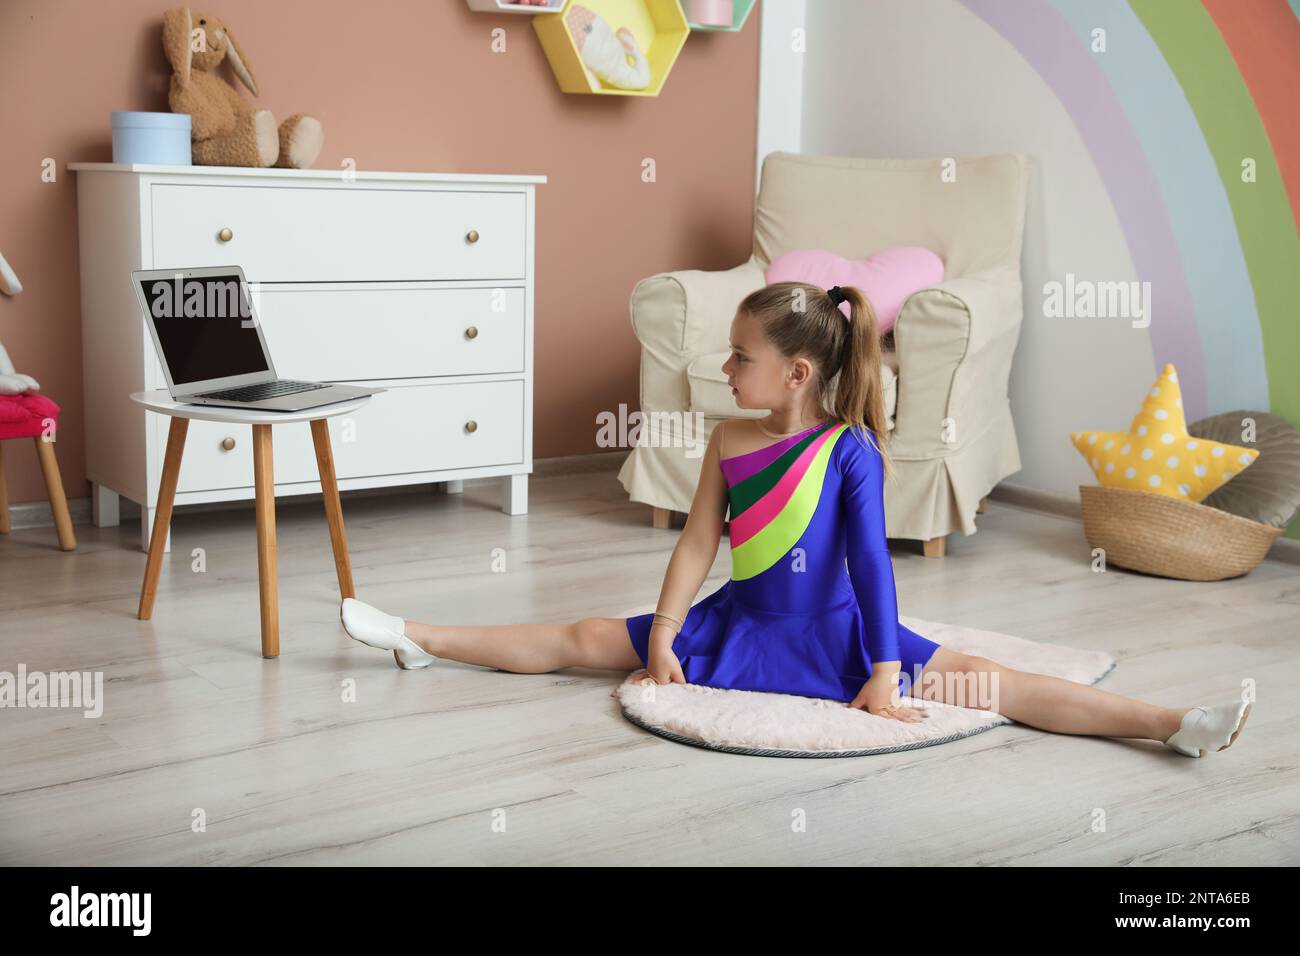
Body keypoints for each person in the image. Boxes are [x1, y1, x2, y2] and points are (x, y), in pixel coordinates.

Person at [340, 283, 1250, 758]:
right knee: (583, 637)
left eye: (739, 356)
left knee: (993, 683)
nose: (724, 367)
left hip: (845, 637)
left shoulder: (850, 451)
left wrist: (887, 670)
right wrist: (664, 633)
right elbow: (701, 539)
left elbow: (871, 567)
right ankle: (420, 636)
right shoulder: (727, 438)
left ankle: (1173, 723)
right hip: (744, 622)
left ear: (797, 374)